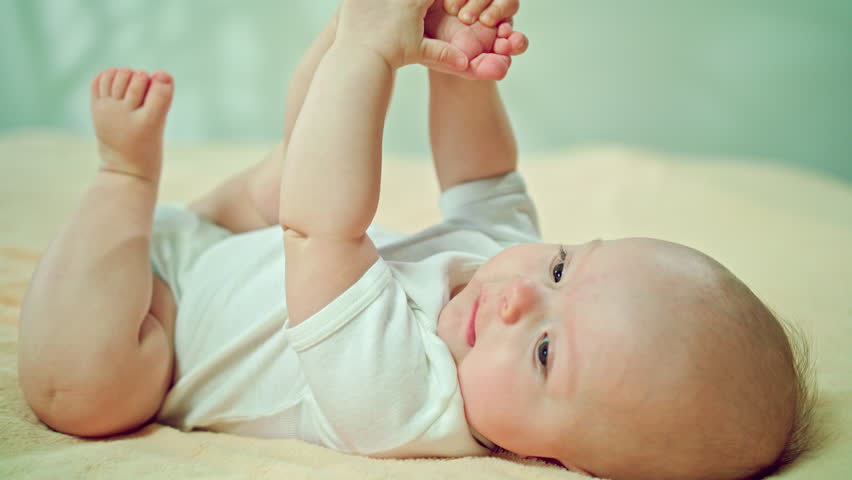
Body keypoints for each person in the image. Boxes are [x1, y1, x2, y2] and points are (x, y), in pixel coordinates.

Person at [18, 1, 815, 479]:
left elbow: (322, 229)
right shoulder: (499, 273)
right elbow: (487, 181)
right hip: (239, 232)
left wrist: (371, 55)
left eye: (543, 351)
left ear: (554, 461)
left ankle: (122, 180)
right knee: (305, 160)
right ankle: (362, 24)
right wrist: (454, 64)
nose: (514, 298)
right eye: (567, 266)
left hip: (153, 321)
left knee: (84, 391)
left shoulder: (410, 404)